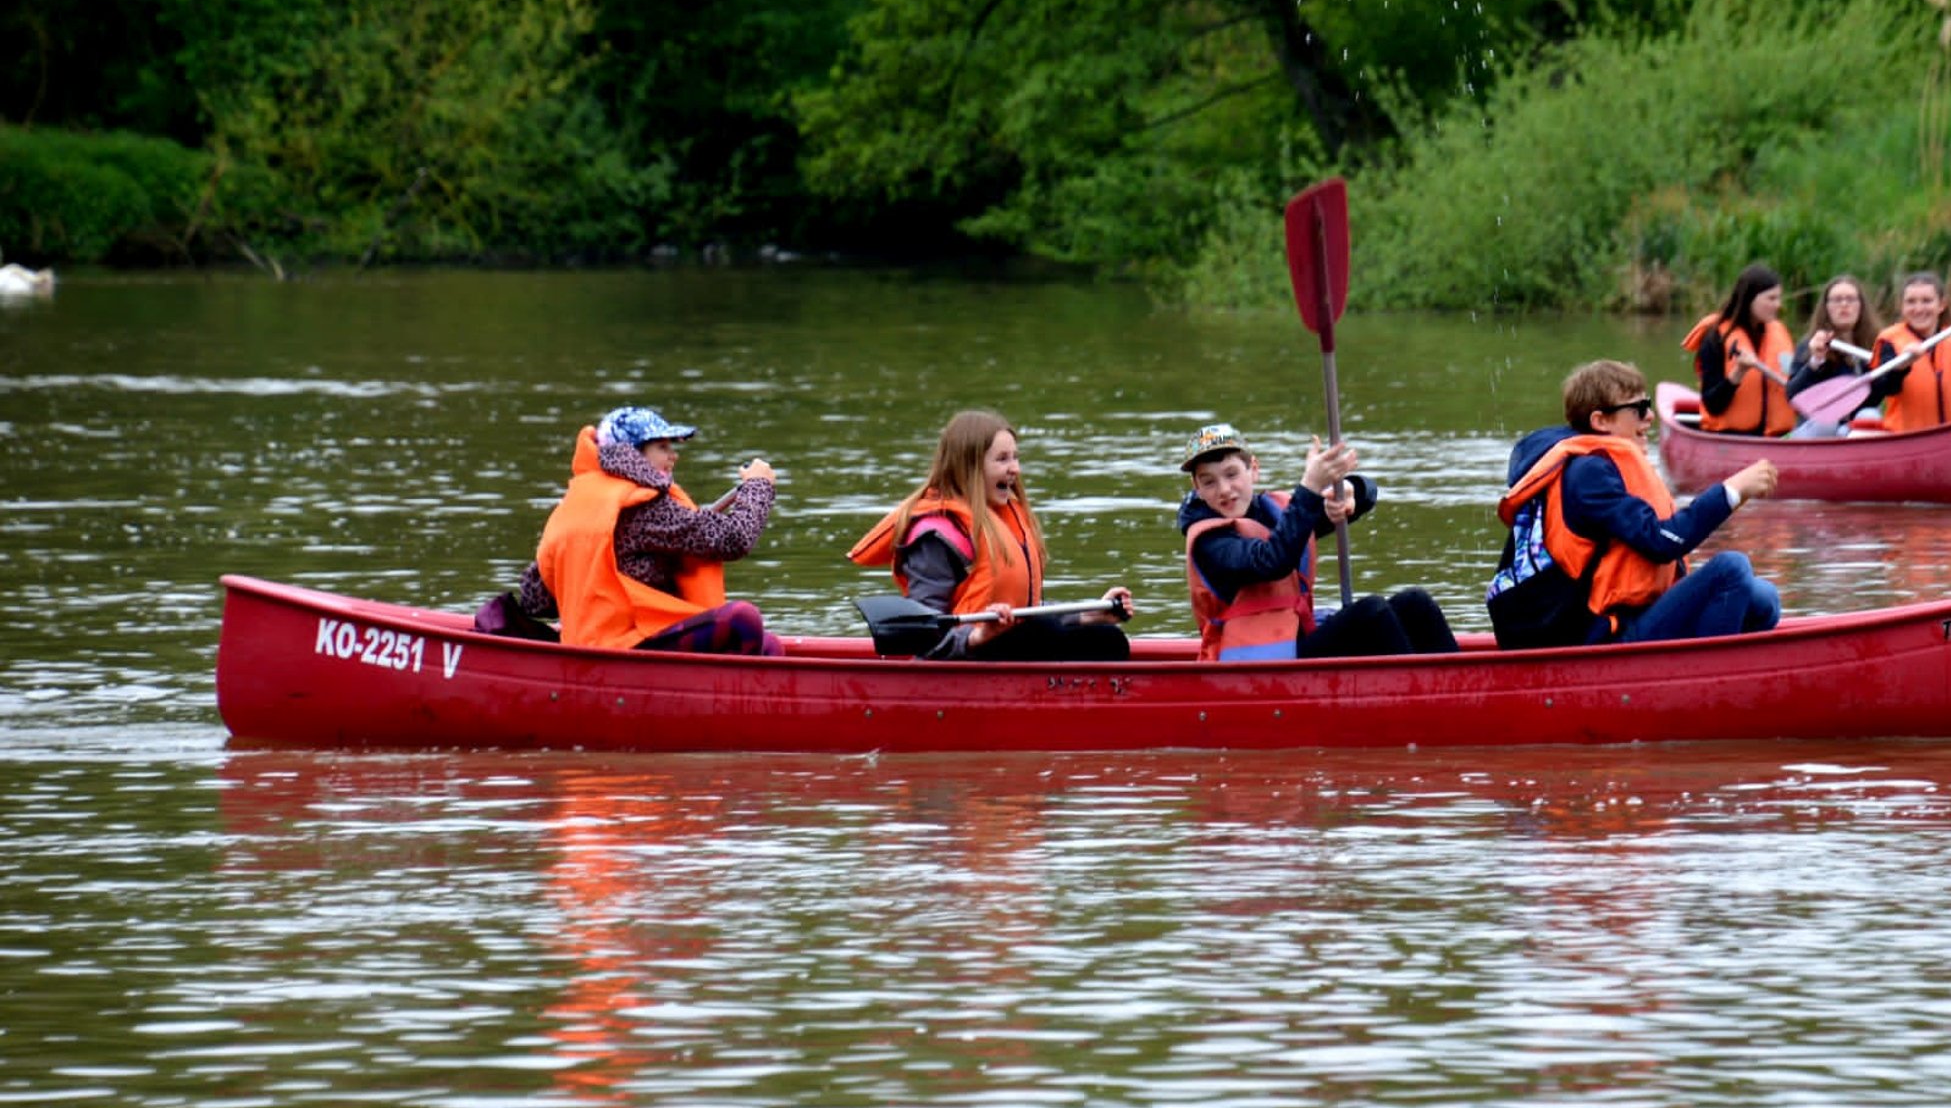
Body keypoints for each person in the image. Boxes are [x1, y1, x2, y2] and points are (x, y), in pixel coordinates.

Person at [1488, 359, 1781, 649]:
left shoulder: (1601, 464)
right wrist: (1731, 491)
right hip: (1601, 638)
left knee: (1762, 598)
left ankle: (1707, 668)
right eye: (1638, 409)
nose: (1650, 416)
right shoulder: (1588, 474)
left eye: (1648, 405)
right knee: (1731, 568)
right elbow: (1662, 541)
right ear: (1600, 421)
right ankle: (1708, 682)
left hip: (1631, 618)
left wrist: (1734, 496)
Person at [474, 405, 784, 654]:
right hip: (624, 648)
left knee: (769, 647)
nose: (672, 456)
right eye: (662, 447)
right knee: (743, 621)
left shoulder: (571, 506)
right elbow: (734, 538)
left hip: (584, 645)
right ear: (631, 455)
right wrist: (757, 486)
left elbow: (535, 599)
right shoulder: (646, 508)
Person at [848, 409, 1131, 661]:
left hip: (1010, 643)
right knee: (1089, 640)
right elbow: (927, 639)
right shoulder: (936, 536)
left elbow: (1024, 610)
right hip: (964, 659)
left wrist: (1087, 615)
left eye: (1015, 458)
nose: (1015, 469)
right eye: (1002, 459)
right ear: (968, 466)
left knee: (1103, 635)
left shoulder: (1001, 520)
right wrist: (978, 636)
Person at [1178, 421, 1459, 662]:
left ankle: (1462, 692)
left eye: (1231, 474)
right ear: (1197, 488)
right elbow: (1272, 561)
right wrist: (1310, 487)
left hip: (1294, 643)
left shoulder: (1270, 512)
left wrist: (1349, 491)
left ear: (1253, 469)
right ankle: (1420, 702)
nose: (1225, 490)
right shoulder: (1209, 541)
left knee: (1415, 604)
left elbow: (1363, 496)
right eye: (1209, 482)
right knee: (1370, 614)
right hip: (1251, 667)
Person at [1866, 271, 1951, 432]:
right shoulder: (1890, 341)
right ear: (1902, 306)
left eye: (1927, 301)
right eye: (1911, 302)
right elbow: (1877, 394)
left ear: (1941, 305)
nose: (1919, 308)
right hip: (1911, 440)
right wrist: (1901, 366)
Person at [1684, 262, 1797, 436]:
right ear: (1749, 298)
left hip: (1775, 438)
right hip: (1730, 437)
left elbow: (1795, 385)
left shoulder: (1779, 332)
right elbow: (1712, 405)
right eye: (1771, 298)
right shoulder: (1715, 338)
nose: (1778, 305)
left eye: (1779, 298)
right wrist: (1739, 372)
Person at [1787, 274, 1873, 438]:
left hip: (1849, 431)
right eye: (1836, 299)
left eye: (1850, 299)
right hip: (1816, 429)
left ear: (1860, 306)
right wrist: (1815, 361)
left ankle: (1862, 461)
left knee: (1870, 416)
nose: (1844, 304)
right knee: (1828, 421)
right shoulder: (1810, 344)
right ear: (1826, 307)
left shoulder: (1872, 344)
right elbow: (1792, 394)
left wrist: (1900, 368)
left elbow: (1882, 392)